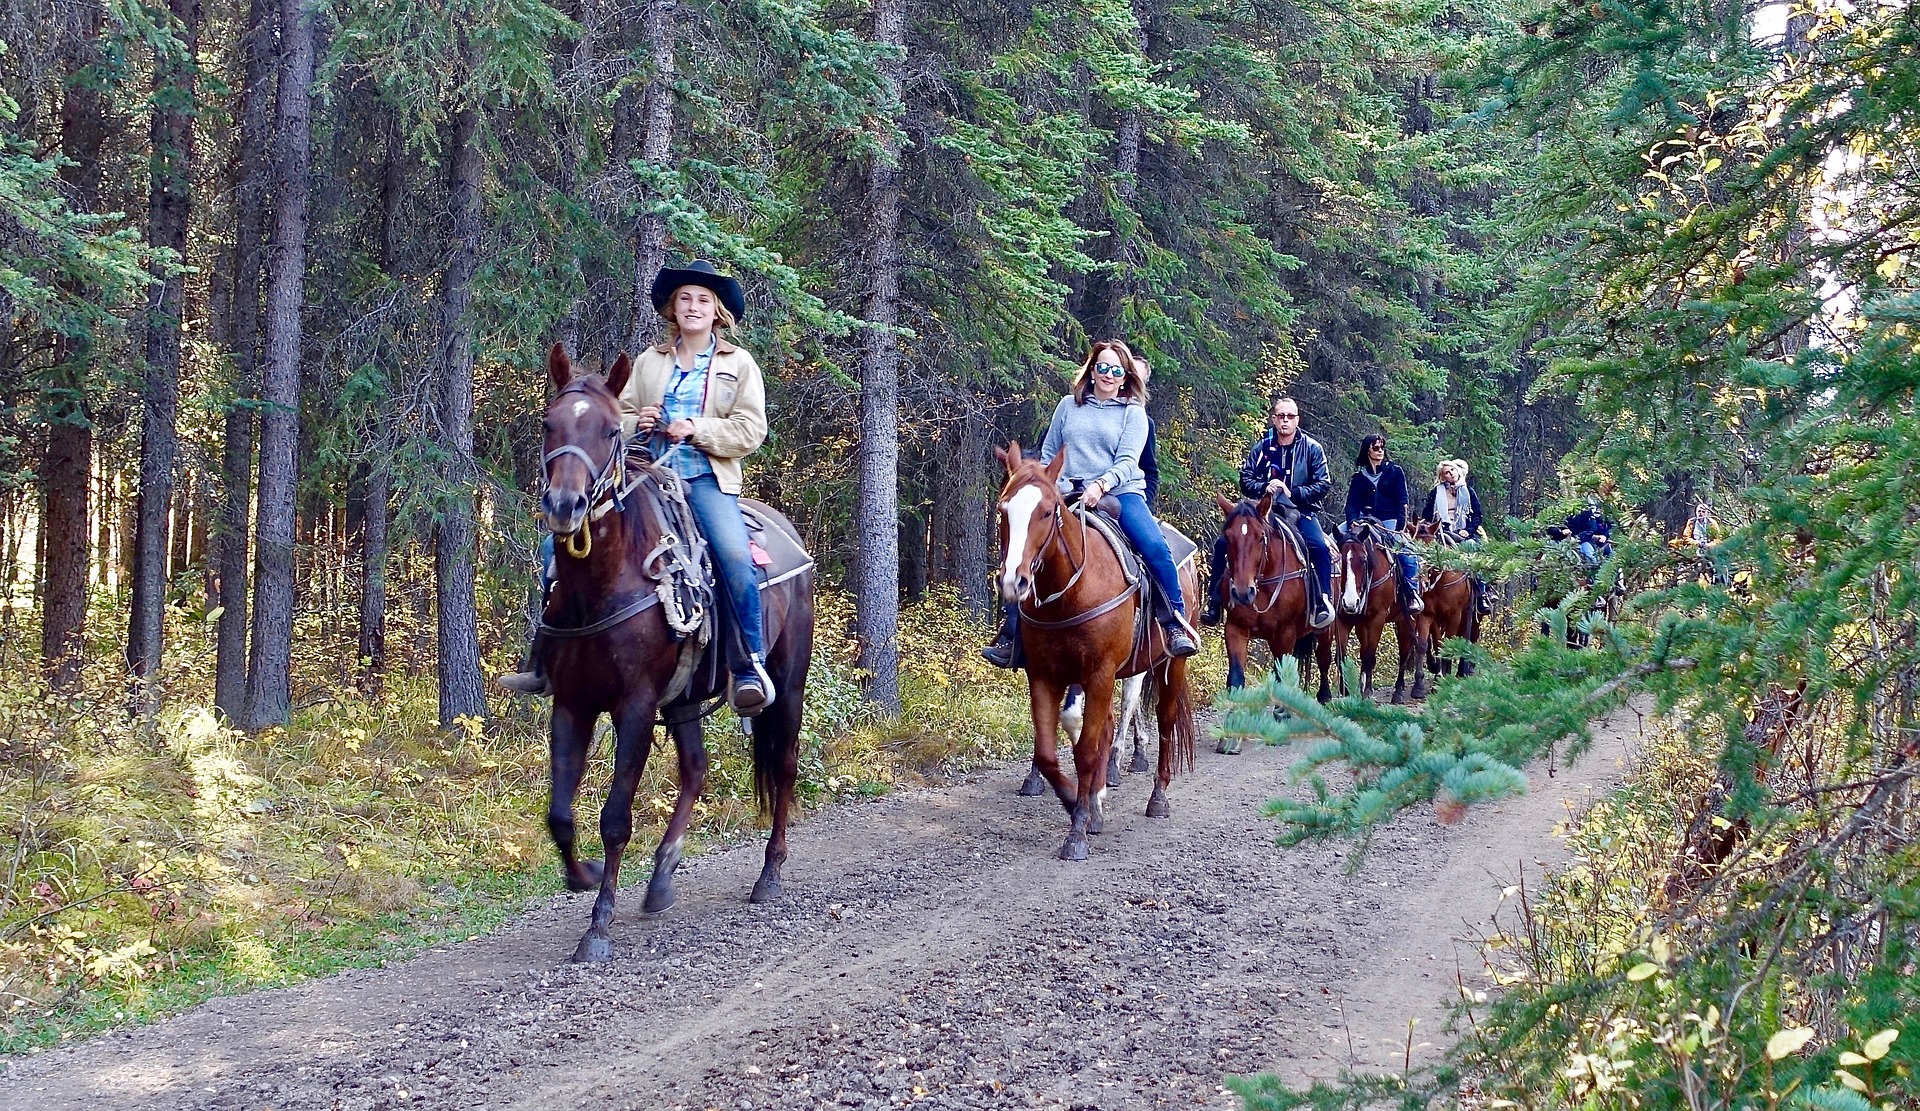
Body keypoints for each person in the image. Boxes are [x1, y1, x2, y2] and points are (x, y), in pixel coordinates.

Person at [496, 259, 776, 715]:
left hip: (706, 478)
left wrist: (696, 428)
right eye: (685, 298)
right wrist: (635, 421)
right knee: (556, 549)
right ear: (672, 308)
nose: (693, 306)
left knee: (733, 556)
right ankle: (545, 658)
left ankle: (748, 667)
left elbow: (751, 429)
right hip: (645, 476)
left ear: (717, 312)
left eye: (703, 300)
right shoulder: (650, 362)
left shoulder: (737, 365)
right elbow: (611, 418)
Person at [982, 340, 1199, 667]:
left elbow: (1128, 461)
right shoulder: (1068, 405)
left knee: (1154, 546)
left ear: (1126, 376)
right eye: (1103, 367)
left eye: (1116, 370)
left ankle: (1174, 622)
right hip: (1066, 491)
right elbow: (1048, 452)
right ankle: (1013, 635)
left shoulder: (1134, 413)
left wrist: (1101, 484)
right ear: (1092, 370)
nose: (1109, 375)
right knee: (1025, 545)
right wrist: (1044, 483)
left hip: (1120, 493)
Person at [1201, 396, 1335, 629]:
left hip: (1300, 510)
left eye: (1290, 416)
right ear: (1273, 419)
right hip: (1260, 511)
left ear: (1297, 420)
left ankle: (1321, 600)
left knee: (1318, 546)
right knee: (1224, 542)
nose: (1285, 421)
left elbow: (1323, 483)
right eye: (1280, 416)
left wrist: (1292, 492)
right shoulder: (1261, 448)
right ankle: (1214, 602)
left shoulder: (1312, 449)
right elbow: (1245, 480)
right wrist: (1265, 487)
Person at [1343, 434, 1422, 615]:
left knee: (1407, 551)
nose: (1380, 451)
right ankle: (1331, 592)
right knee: (1333, 542)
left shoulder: (1395, 472)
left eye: (1382, 448)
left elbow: (1402, 500)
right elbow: (1351, 504)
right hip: (1362, 521)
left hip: (1389, 522)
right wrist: (1352, 520)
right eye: (1375, 448)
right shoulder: (1358, 477)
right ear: (1367, 450)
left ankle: (1412, 593)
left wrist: (1400, 526)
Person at [1421, 459, 1493, 614]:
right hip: (1442, 532)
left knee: (1477, 551)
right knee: (1424, 553)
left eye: (1452, 470)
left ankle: (1482, 594)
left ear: (1457, 471)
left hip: (1464, 533)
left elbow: (1477, 516)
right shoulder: (1436, 492)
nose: (1450, 474)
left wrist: (1468, 530)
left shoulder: (1468, 491)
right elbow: (1426, 515)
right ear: (1442, 477)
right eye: (1446, 473)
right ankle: (1418, 591)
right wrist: (1434, 526)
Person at [1564, 493, 1613, 568]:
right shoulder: (1581, 517)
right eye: (1593, 507)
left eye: (1599, 508)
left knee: (1610, 555)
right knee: (1591, 557)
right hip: (1582, 543)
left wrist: (1604, 536)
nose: (1597, 510)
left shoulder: (1602, 519)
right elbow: (1578, 535)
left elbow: (1605, 530)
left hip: (1599, 544)